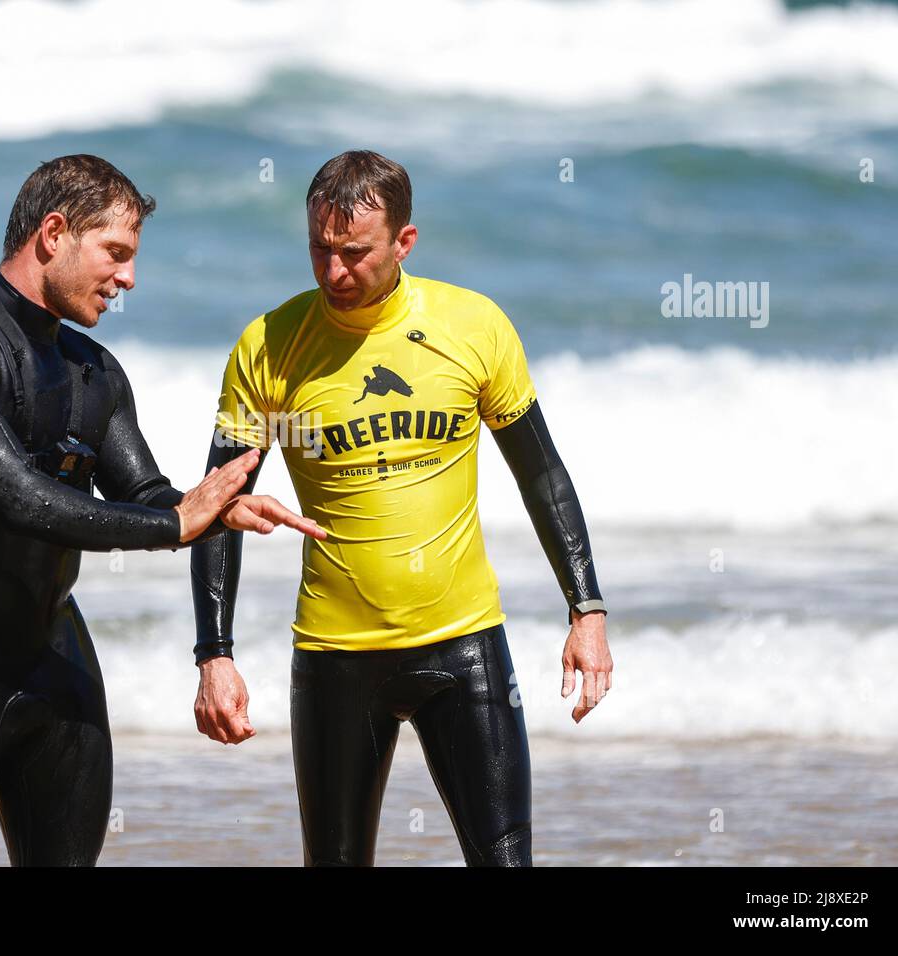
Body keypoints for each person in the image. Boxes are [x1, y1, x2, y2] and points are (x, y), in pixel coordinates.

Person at [0, 154, 324, 866]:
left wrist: (210, 508)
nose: (129, 279)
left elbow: (144, 495)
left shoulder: (96, 372)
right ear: (54, 233)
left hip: (56, 655)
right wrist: (175, 524)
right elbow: (19, 500)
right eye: (116, 253)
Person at [190, 150, 612, 866]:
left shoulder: (472, 327)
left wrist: (588, 610)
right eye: (320, 250)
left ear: (404, 242)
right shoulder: (269, 346)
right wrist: (214, 656)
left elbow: (542, 474)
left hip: (465, 646)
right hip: (334, 659)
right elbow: (213, 507)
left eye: (355, 253)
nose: (333, 272)